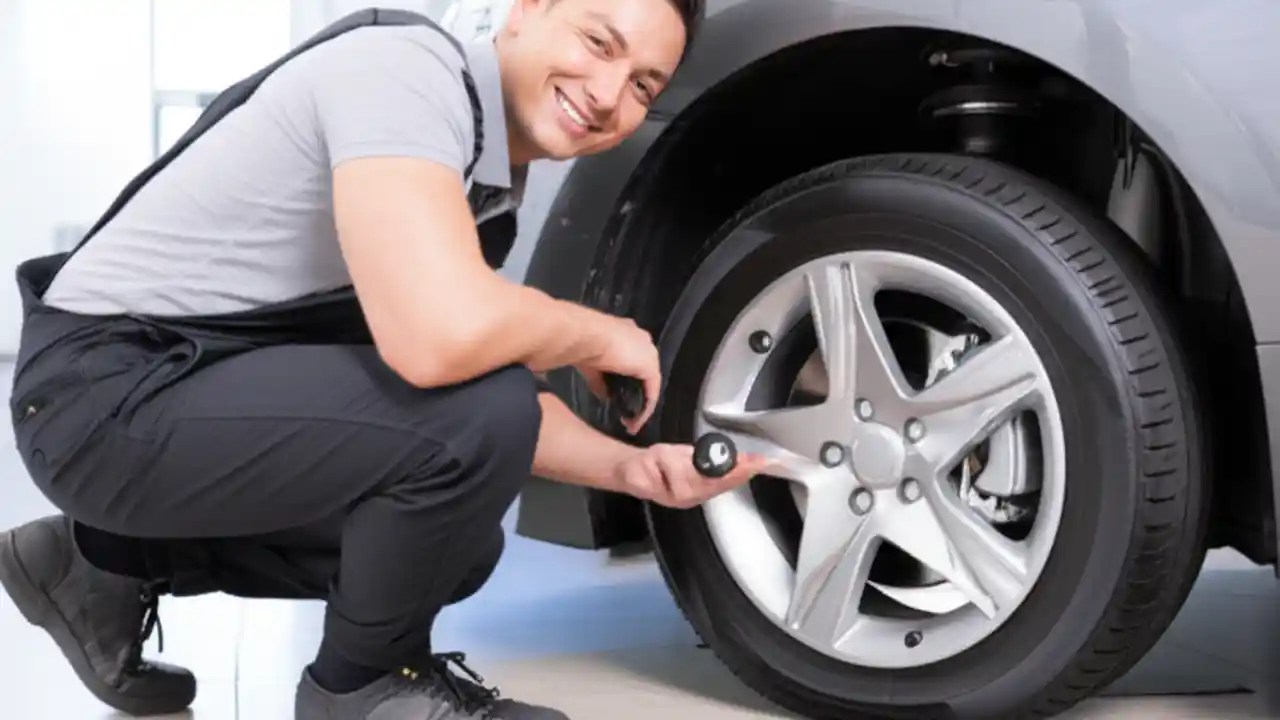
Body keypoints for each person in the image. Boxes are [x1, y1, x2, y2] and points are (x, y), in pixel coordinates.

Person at [0, 1, 768, 718]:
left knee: (449, 544)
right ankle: (363, 686)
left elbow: (456, 397)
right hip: (104, 395)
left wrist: (631, 471)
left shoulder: (480, 178)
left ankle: (97, 562)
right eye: (598, 43)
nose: (608, 95)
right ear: (531, 5)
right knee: (477, 416)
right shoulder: (406, 74)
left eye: (643, 85)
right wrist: (600, 334)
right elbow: (439, 345)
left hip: (166, 388)